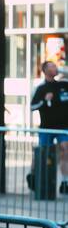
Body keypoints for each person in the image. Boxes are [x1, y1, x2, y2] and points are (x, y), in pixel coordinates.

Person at [30, 60, 68, 193]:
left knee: (65, 150)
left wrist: (62, 71)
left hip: (63, 127)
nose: (55, 68)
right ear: (45, 71)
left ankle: (65, 182)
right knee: (42, 152)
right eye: (52, 66)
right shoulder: (41, 88)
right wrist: (45, 100)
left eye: (55, 66)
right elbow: (32, 106)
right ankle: (34, 176)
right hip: (46, 127)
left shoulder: (64, 85)